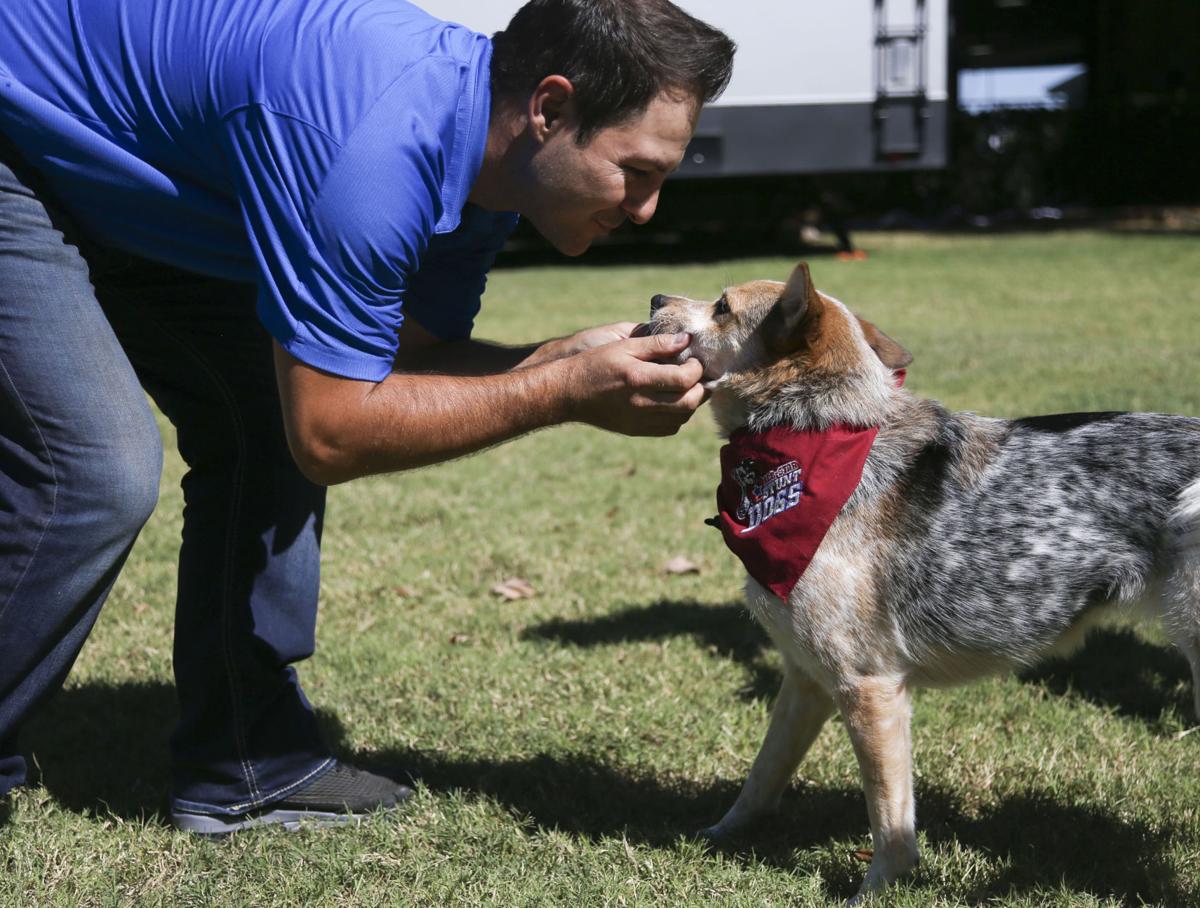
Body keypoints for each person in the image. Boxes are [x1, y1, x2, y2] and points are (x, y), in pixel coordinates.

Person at [0, 0, 735, 833]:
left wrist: (563, 357)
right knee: (91, 470)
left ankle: (246, 762)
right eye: (636, 172)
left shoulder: (484, 170)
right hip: (18, 134)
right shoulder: (374, 147)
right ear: (551, 109)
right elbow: (331, 432)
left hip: (137, 172)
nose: (646, 209)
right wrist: (564, 393)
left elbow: (401, 365)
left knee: (257, 428)